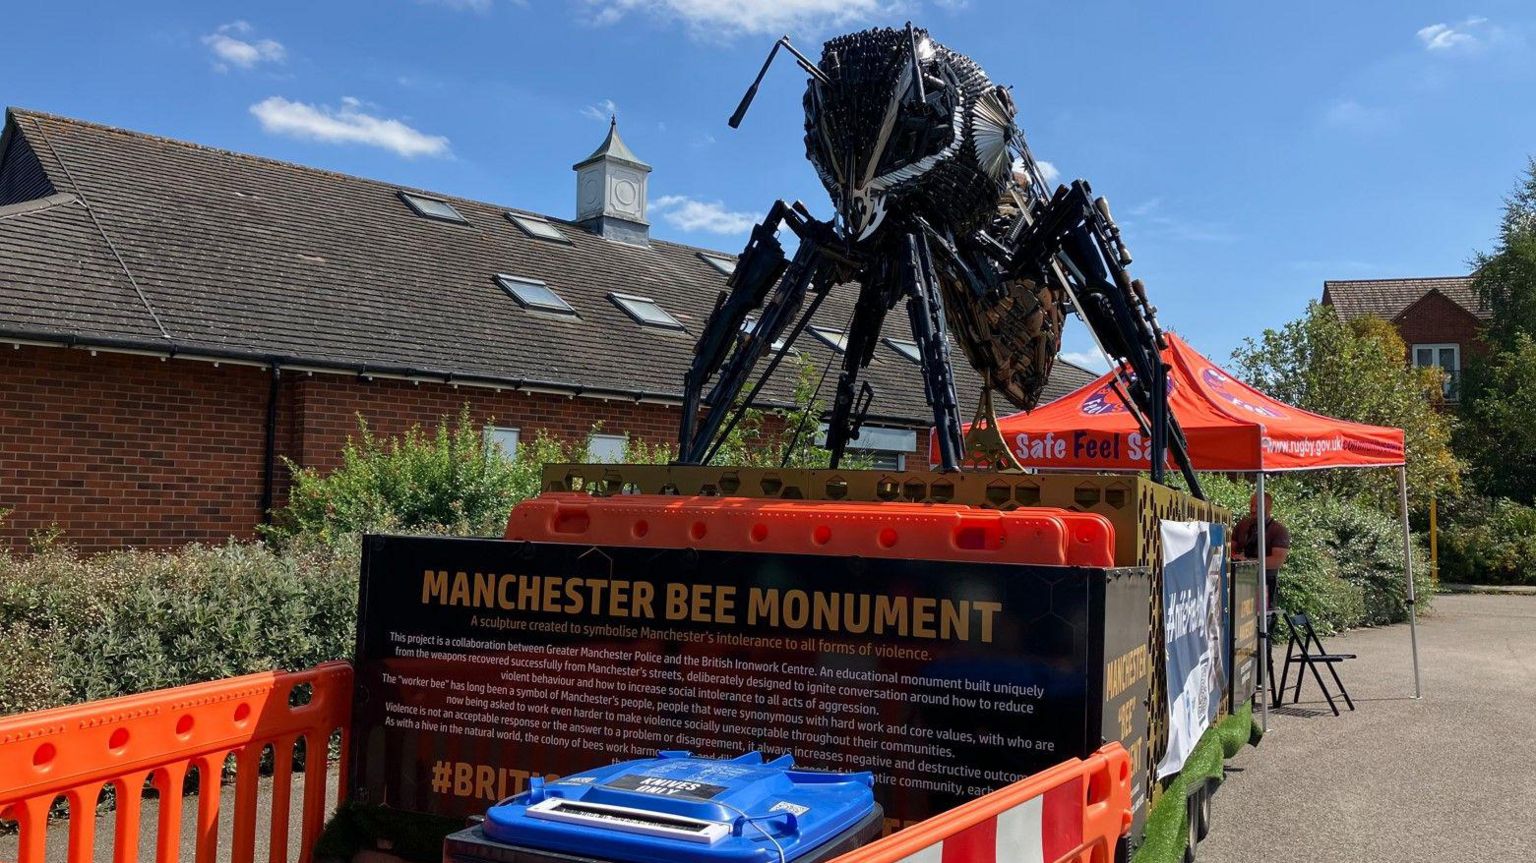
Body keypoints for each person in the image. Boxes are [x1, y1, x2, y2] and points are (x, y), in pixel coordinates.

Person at [1231, 492, 1290, 611]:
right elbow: (1230, 548)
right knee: (1239, 619)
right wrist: (1235, 556)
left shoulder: (1278, 530)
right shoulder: (1242, 525)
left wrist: (1249, 562)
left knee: (1260, 618)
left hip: (1264, 582)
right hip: (1240, 581)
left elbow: (1277, 561)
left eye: (1257, 506)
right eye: (1251, 505)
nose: (1253, 509)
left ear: (1269, 508)